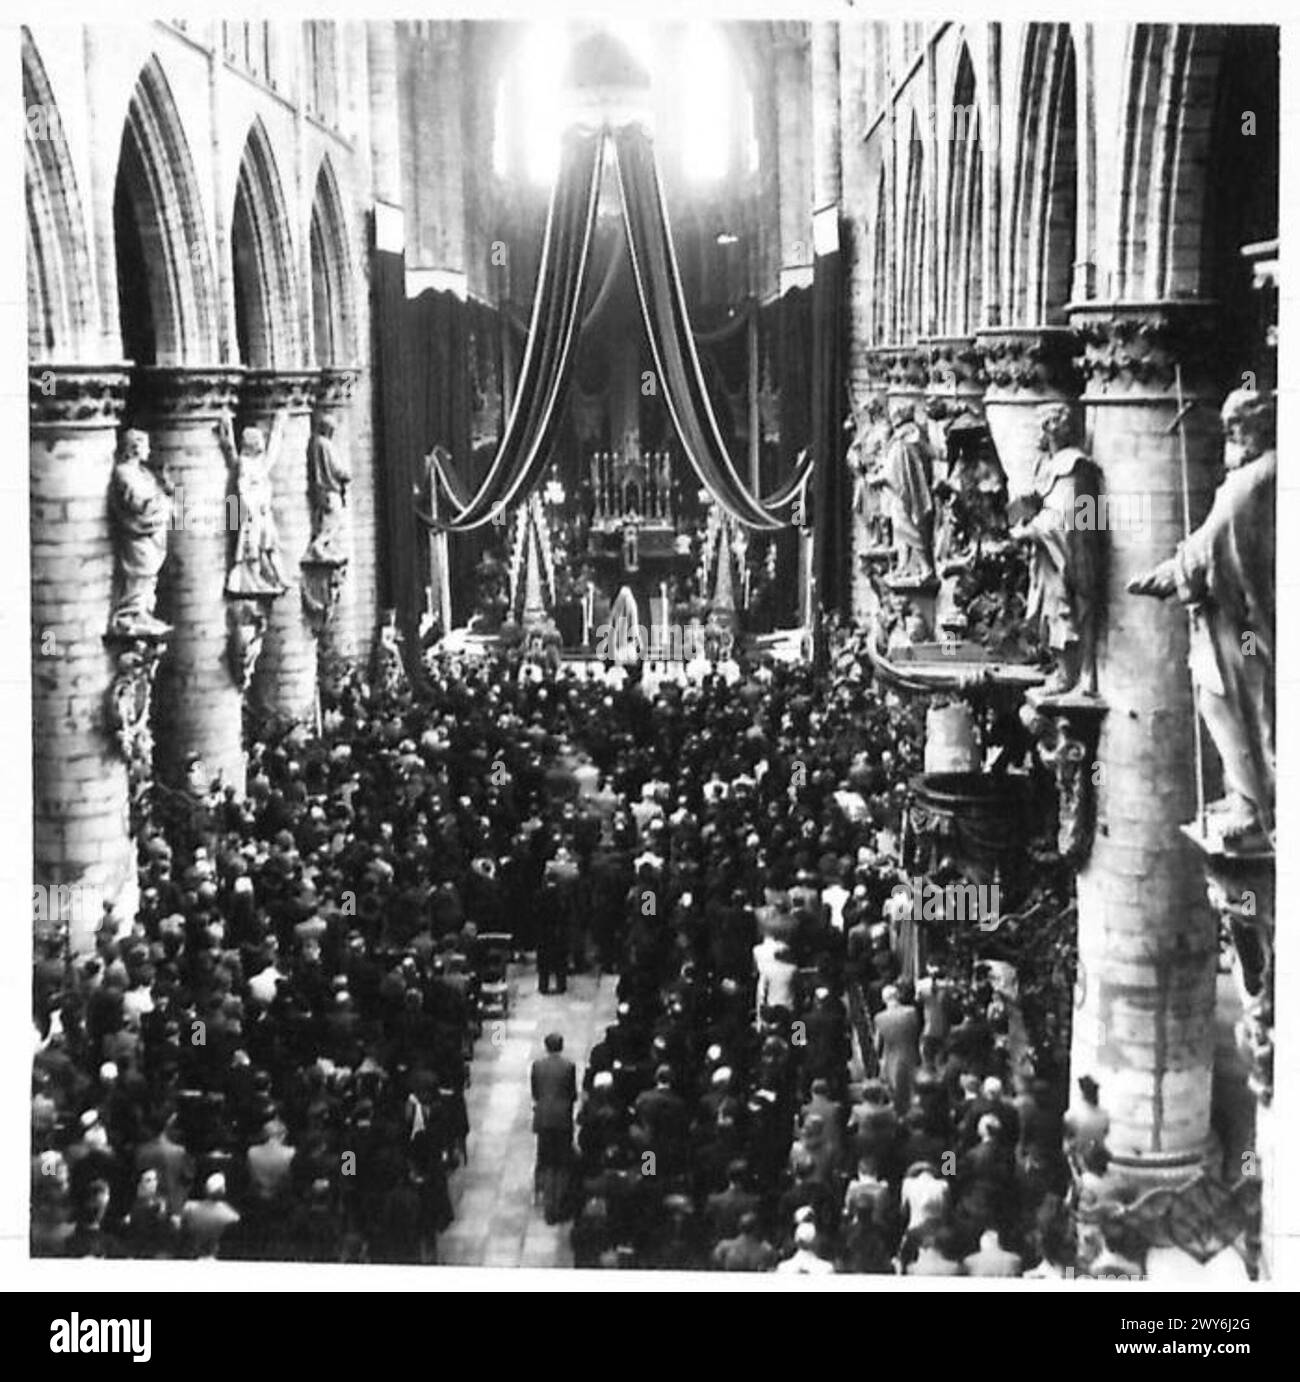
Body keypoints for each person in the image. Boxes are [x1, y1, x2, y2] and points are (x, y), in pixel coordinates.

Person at [1127, 387, 1276, 850]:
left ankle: (1254, 805)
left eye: (1237, 427)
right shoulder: (1270, 472)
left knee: (1231, 702)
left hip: (1239, 626)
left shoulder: (1248, 483)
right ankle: (1250, 798)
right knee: (1251, 705)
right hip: (1251, 618)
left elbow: (1208, 548)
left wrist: (1168, 574)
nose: (1231, 435)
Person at [531, 1032, 577, 1224]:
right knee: (562, 1163)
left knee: (546, 1159)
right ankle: (559, 1202)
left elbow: (535, 1091)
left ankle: (543, 1196)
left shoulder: (538, 1065)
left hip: (543, 1117)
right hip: (562, 1118)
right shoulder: (569, 1066)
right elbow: (572, 1092)